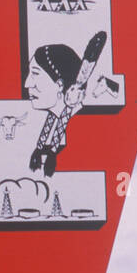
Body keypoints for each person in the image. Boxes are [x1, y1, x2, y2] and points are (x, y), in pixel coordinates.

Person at [24, 31, 107, 176]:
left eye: (35, 74)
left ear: (60, 85)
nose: (27, 84)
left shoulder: (86, 129)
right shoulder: (54, 118)